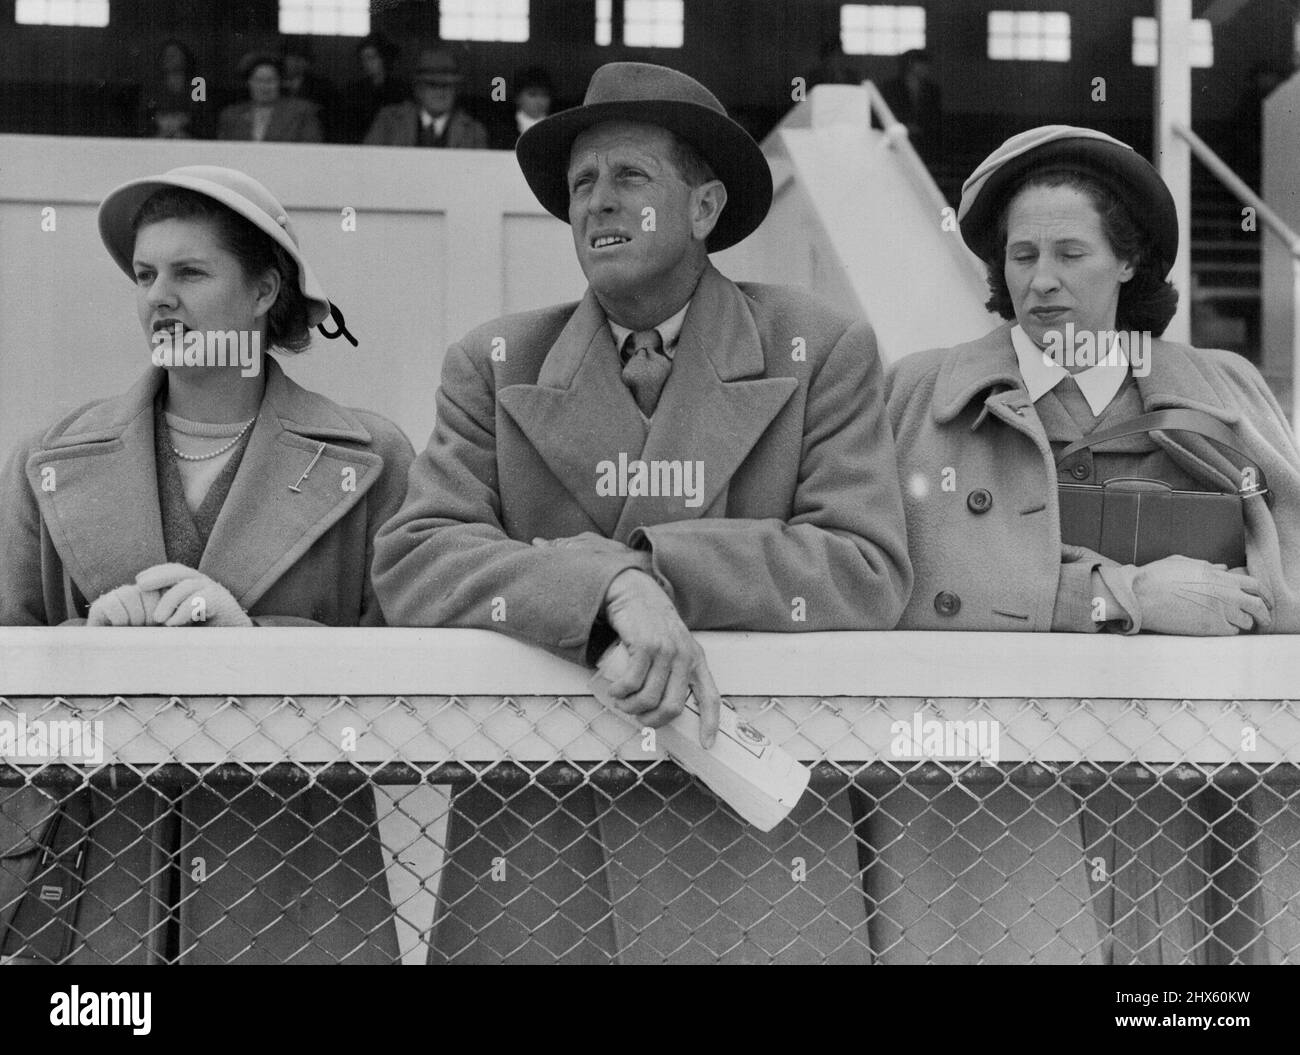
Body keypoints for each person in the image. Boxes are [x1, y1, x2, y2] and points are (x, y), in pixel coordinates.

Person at [373, 61, 911, 964]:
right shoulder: (495, 361)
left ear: (703, 210)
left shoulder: (819, 349)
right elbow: (415, 559)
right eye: (582, 183)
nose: (597, 204)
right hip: (540, 843)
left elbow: (863, 565)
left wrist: (653, 570)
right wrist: (607, 581)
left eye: (629, 178)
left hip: (751, 839)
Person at [881, 126, 1300, 962]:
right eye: (1021, 254)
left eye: (1071, 252)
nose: (1040, 281)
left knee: (1183, 999)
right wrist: (1126, 595)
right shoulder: (920, 392)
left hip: (1189, 778)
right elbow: (888, 566)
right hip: (991, 783)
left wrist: (1238, 598)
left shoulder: (1226, 389)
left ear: (1130, 260)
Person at [0, 166, 413, 963]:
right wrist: (84, 646)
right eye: (147, 274)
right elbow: (5, 697)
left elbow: (412, 690)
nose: (160, 295)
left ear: (263, 292)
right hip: (95, 874)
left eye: (190, 272)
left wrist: (253, 641)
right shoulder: (42, 461)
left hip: (295, 868)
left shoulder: (375, 459)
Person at [364, 47, 487, 149]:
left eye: (447, 86)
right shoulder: (389, 121)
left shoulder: (474, 132)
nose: (440, 92)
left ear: (456, 91)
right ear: (418, 90)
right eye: (432, 85)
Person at [218, 52, 322, 143]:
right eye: (259, 80)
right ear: (249, 83)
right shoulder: (231, 115)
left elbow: (312, 148)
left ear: (280, 83)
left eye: (270, 81)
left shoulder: (302, 111)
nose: (264, 87)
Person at [339, 33, 407, 144]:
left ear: (384, 58)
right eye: (364, 59)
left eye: (372, 58)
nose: (367, 63)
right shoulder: (354, 91)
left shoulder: (400, 89)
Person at [138, 39, 207, 139]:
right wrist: (159, 122)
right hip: (157, 139)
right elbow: (145, 116)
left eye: (174, 54)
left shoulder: (197, 84)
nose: (169, 58)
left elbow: (201, 114)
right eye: (166, 55)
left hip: (188, 139)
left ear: (185, 58)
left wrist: (183, 122)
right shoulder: (152, 86)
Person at [880, 49, 941, 162]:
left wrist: (921, 128)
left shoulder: (932, 90)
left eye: (927, 65)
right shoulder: (891, 87)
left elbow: (935, 117)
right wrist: (906, 127)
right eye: (922, 64)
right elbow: (888, 112)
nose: (926, 68)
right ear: (910, 65)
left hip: (923, 143)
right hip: (897, 139)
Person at [488, 65, 556, 150]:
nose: (539, 101)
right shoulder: (503, 129)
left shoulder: (557, 127)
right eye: (532, 95)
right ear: (517, 98)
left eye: (544, 95)